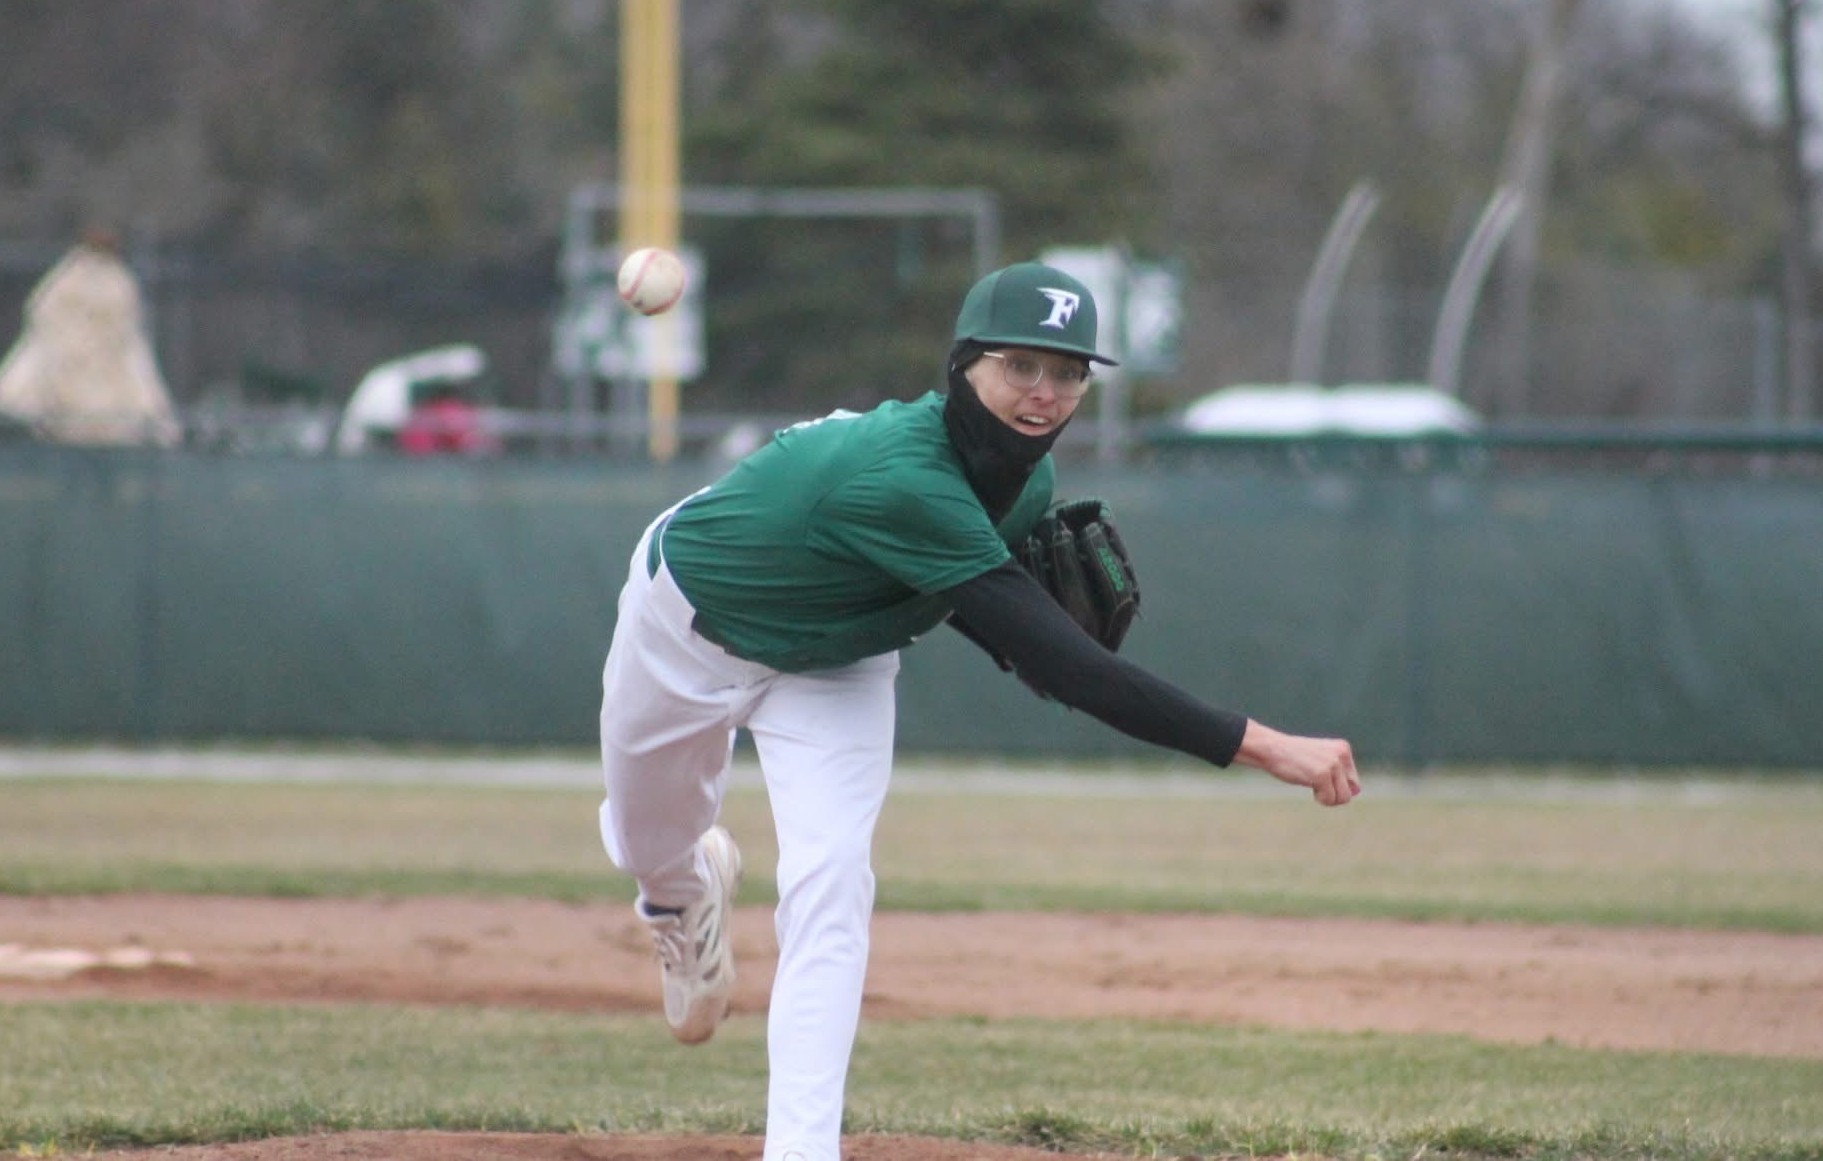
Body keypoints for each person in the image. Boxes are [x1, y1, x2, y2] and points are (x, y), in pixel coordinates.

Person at [597, 260, 1360, 1161]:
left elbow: (978, 605)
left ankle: (800, 1149)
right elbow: (1074, 669)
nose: (1045, 394)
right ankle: (680, 902)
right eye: (1020, 366)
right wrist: (1267, 747)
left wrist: (1021, 636)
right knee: (650, 840)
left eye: (1069, 372)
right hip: (687, 629)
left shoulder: (1023, 489)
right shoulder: (900, 475)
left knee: (833, 880)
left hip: (836, 663)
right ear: (963, 365)